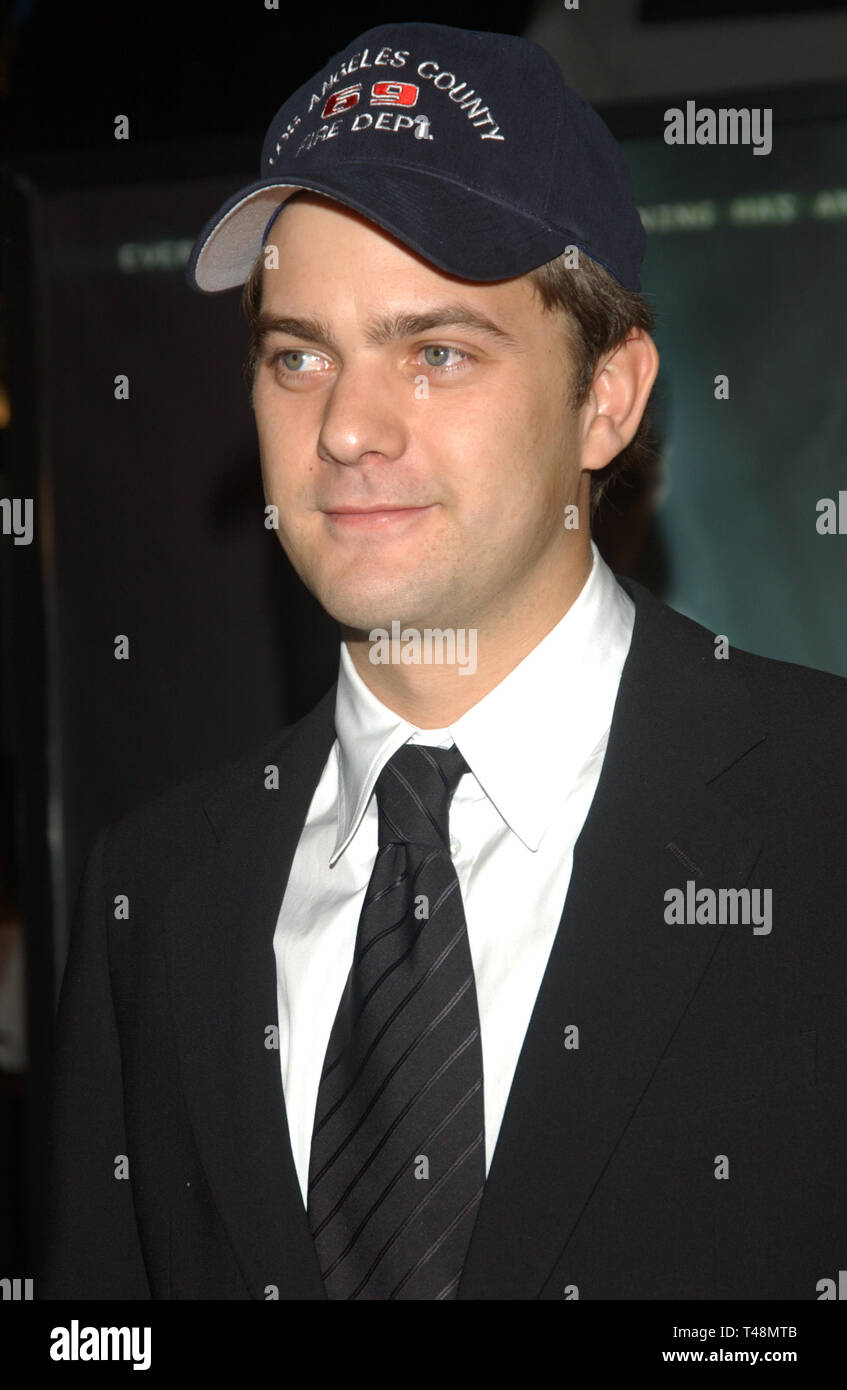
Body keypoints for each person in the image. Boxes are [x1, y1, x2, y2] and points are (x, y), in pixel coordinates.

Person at [40, 20, 847, 1301]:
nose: (347, 428)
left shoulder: (819, 822)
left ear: (607, 399)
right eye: (297, 354)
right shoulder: (157, 897)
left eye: (437, 354)